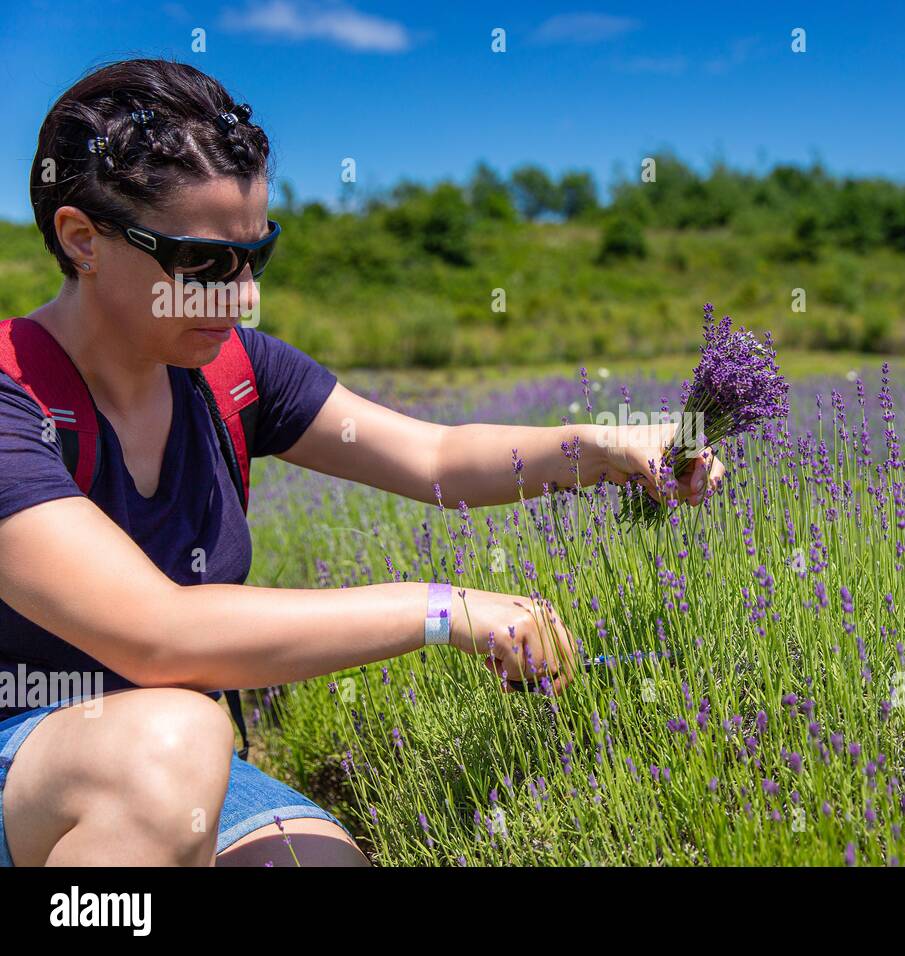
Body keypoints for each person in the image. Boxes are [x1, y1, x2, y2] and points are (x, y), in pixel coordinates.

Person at [0, 58, 724, 867]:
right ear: (81, 239)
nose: (242, 297)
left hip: (177, 767)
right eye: (202, 264)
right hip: (43, 760)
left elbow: (438, 456)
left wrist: (607, 447)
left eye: (256, 255)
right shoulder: (10, 400)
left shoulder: (232, 372)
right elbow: (155, 636)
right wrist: (443, 610)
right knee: (174, 736)